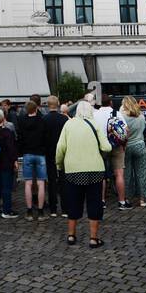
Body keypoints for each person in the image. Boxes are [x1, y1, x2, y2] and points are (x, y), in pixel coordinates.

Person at [56, 100, 110, 247]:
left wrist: (60, 164)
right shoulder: (95, 124)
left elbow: (60, 148)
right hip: (94, 170)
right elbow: (107, 147)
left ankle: (71, 236)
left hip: (73, 170)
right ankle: (93, 238)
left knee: (73, 202)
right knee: (94, 203)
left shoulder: (68, 124)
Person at [15, 98, 47, 220]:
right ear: (36, 108)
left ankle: (29, 211)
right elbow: (45, 137)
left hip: (27, 153)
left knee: (28, 183)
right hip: (40, 154)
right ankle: (40, 211)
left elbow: (20, 138)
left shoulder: (22, 121)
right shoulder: (42, 120)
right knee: (41, 183)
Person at [120, 96, 146, 209]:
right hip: (140, 145)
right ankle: (142, 199)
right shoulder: (141, 116)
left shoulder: (122, 117)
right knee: (142, 173)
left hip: (127, 147)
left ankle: (127, 198)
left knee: (127, 174)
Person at [41, 94, 68, 217]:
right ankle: (65, 209)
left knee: (51, 180)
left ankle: (52, 209)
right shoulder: (64, 119)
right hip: (63, 152)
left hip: (49, 152)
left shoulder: (44, 119)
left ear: (47, 105)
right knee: (63, 180)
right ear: (57, 105)